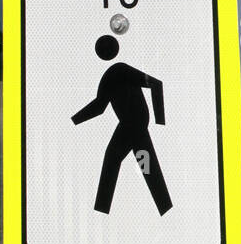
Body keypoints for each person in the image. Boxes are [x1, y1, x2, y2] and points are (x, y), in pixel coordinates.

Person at [71, 35, 172, 216]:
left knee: (116, 159)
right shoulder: (110, 76)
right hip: (132, 124)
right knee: (144, 162)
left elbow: (155, 84)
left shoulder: (119, 70)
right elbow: (99, 107)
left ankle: (101, 209)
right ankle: (165, 207)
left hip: (134, 123)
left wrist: (160, 121)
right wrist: (75, 120)